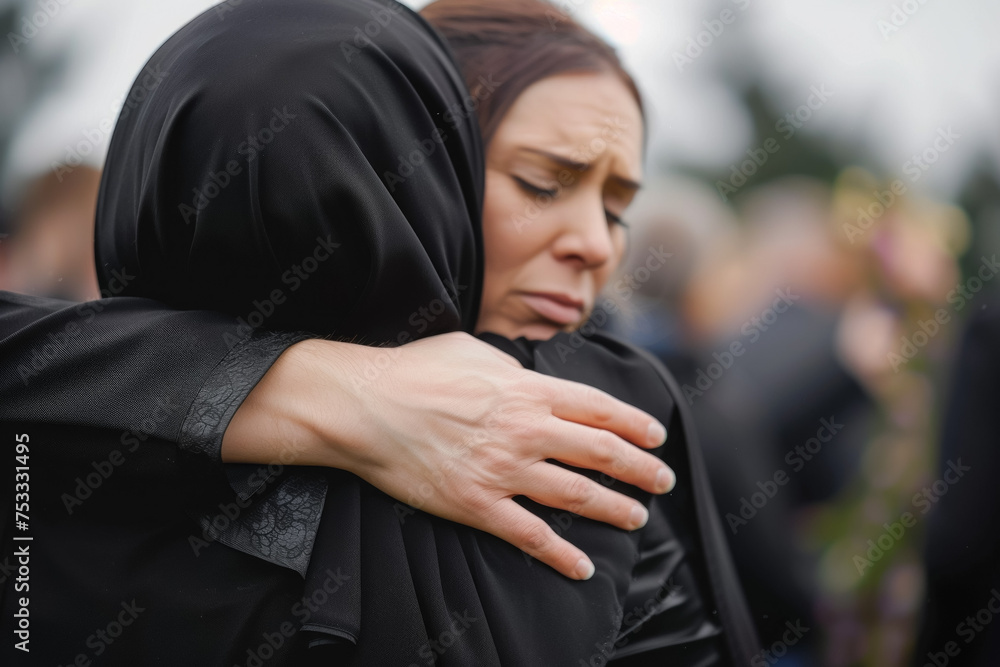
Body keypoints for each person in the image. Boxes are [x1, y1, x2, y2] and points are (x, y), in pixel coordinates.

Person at [1, 0, 757, 663]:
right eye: (542, 184)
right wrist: (334, 388)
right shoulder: (71, 437)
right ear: (409, 163)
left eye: (619, 207)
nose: (596, 243)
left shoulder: (598, 417)